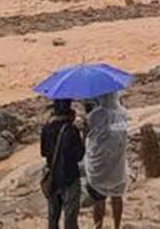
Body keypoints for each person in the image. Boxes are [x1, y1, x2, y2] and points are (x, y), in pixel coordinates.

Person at [82, 92, 128, 229]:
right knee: (117, 196)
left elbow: (86, 136)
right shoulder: (123, 114)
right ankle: (117, 226)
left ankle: (98, 226)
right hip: (117, 162)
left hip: (98, 164)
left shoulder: (93, 116)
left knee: (98, 198)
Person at [41, 99, 85, 229]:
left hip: (53, 178)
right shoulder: (72, 130)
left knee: (53, 219)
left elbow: (43, 152)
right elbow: (79, 155)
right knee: (70, 219)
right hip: (70, 177)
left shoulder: (46, 128)